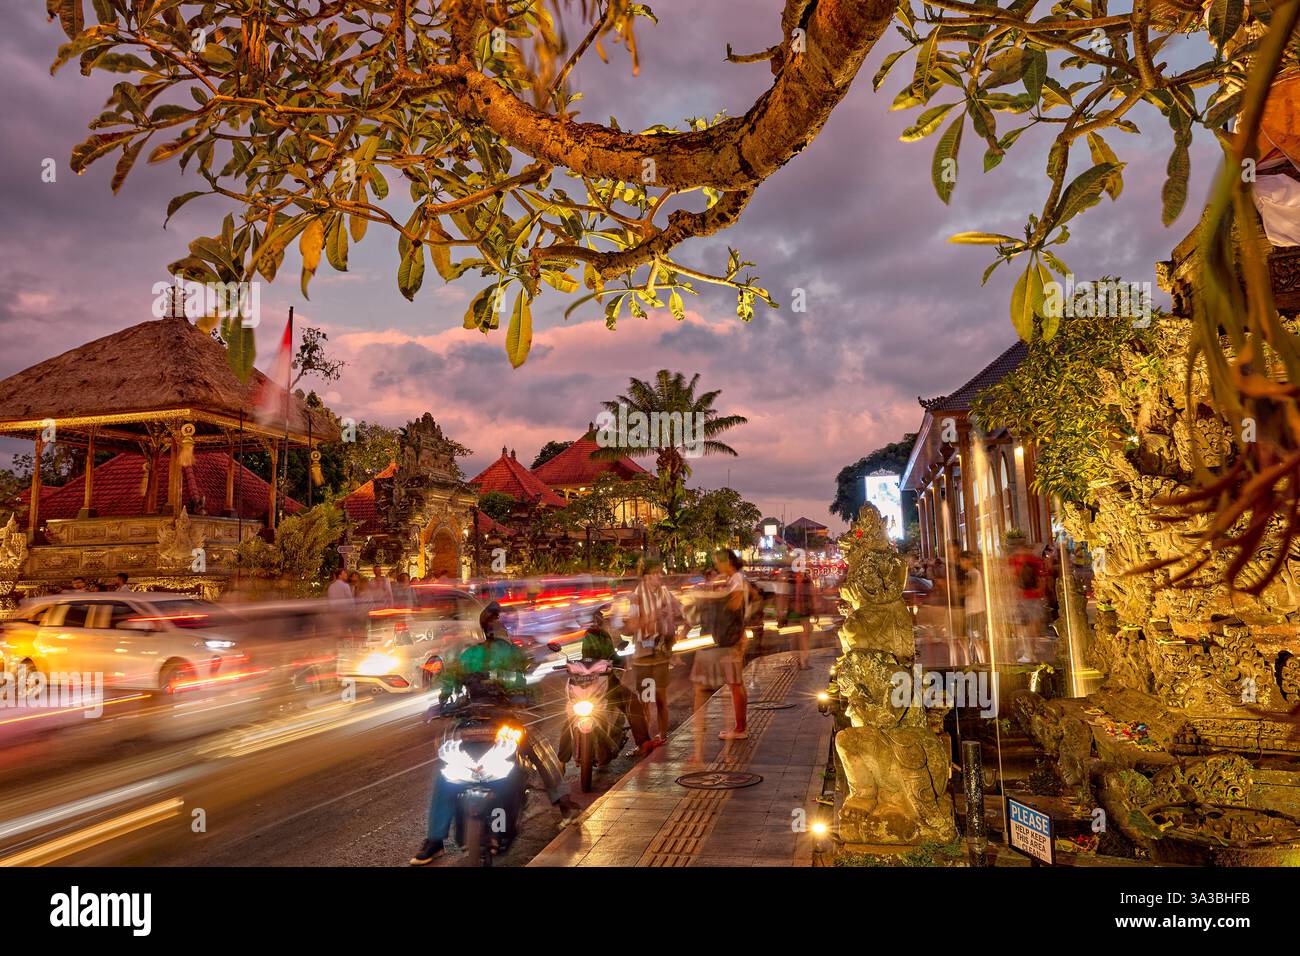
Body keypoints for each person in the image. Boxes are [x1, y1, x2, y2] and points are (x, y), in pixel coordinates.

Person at [411, 601, 577, 865]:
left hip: (477, 722)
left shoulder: (473, 655)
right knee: (537, 749)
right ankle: (564, 805)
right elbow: (528, 686)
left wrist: (443, 704)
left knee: (445, 772)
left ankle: (434, 840)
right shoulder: (510, 654)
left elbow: (449, 685)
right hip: (492, 721)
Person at [690, 549, 749, 742]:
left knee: (734, 683)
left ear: (727, 562)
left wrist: (712, 598)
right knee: (735, 683)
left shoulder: (736, 580)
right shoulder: (734, 579)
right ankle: (740, 726)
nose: (717, 566)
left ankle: (740, 729)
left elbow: (735, 606)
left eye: (718, 562)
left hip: (732, 638)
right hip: (733, 637)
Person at [625, 558, 683, 753]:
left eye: (660, 573)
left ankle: (663, 736)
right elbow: (633, 625)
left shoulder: (665, 593)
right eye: (655, 573)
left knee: (660, 697)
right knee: (645, 699)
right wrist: (653, 616)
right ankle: (644, 741)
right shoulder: (636, 597)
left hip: (660, 653)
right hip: (642, 654)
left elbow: (680, 610)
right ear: (646, 577)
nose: (659, 577)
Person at [1008, 540, 1046, 663]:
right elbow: (1042, 577)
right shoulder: (1035, 560)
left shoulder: (1016, 560)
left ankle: (1028, 652)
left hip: (1023, 597)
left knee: (1024, 626)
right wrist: (1040, 591)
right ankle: (1030, 651)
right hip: (1034, 596)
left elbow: (1011, 578)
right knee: (1031, 625)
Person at [959, 551, 986, 665]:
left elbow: (971, 590)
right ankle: (981, 663)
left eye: (962, 560)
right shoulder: (974, 573)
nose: (961, 563)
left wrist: (958, 592)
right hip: (974, 610)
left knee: (978, 640)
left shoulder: (972, 574)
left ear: (968, 560)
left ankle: (984, 663)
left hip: (975, 610)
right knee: (976, 640)